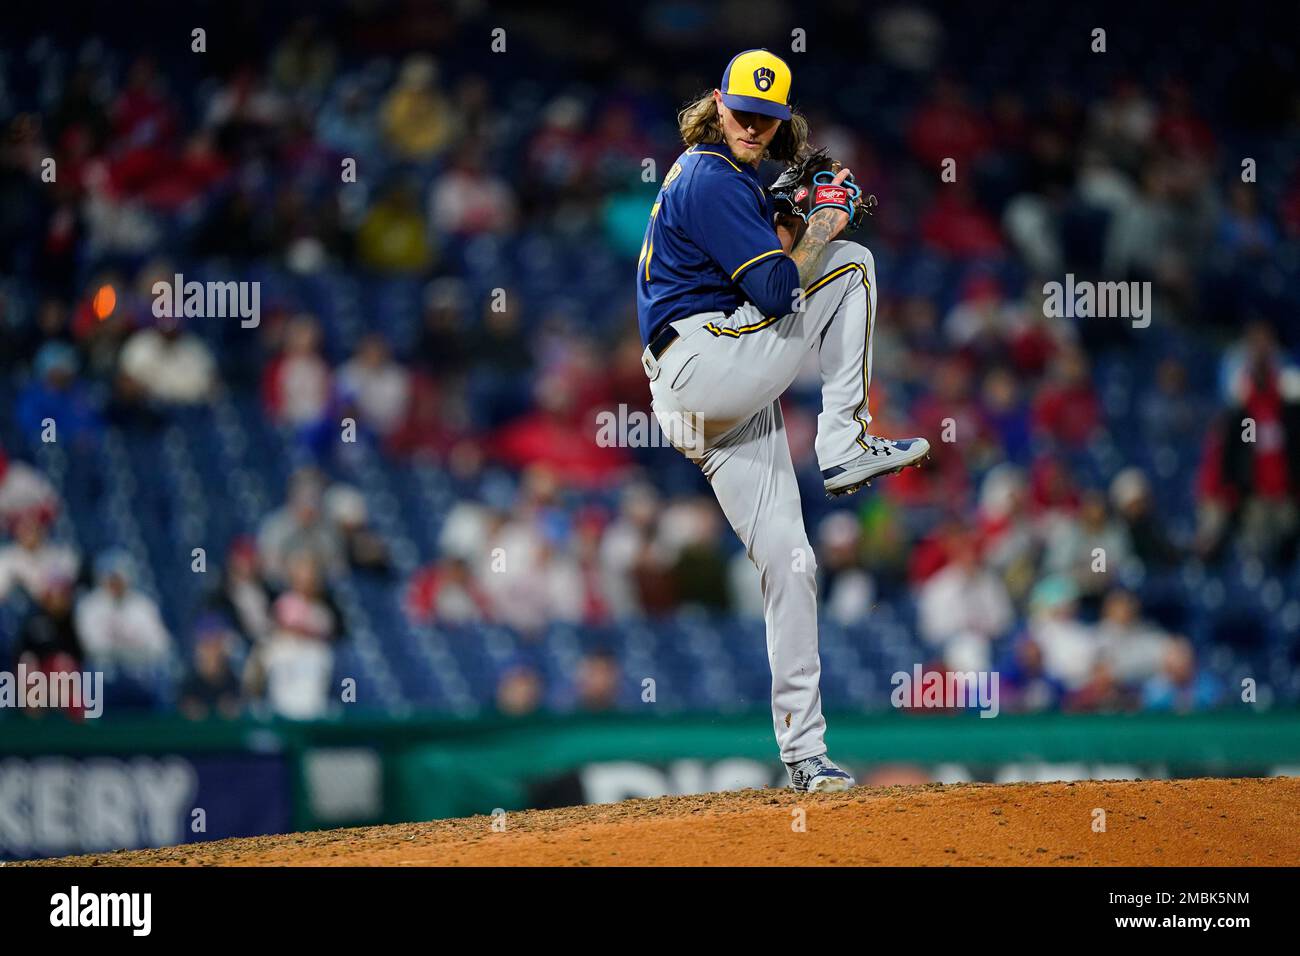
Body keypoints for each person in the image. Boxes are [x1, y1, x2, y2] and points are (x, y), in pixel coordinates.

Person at [635, 50, 929, 792]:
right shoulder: (709, 174)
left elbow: (764, 277)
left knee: (792, 563)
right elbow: (776, 291)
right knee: (852, 263)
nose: (752, 127)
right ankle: (845, 438)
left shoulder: (722, 179)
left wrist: (788, 217)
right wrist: (821, 221)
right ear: (718, 105)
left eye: (766, 119)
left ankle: (804, 755)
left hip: (715, 393)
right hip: (705, 361)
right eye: (742, 112)